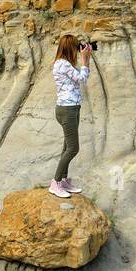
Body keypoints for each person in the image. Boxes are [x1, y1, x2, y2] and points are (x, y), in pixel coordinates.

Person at [49, 34, 92, 198]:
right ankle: (56, 182)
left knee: (67, 147)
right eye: (76, 47)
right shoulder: (63, 64)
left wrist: (84, 60)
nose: (77, 49)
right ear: (70, 48)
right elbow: (82, 78)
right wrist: (85, 60)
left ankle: (64, 181)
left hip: (70, 108)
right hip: (67, 110)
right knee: (73, 148)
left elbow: (80, 79)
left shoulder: (64, 63)